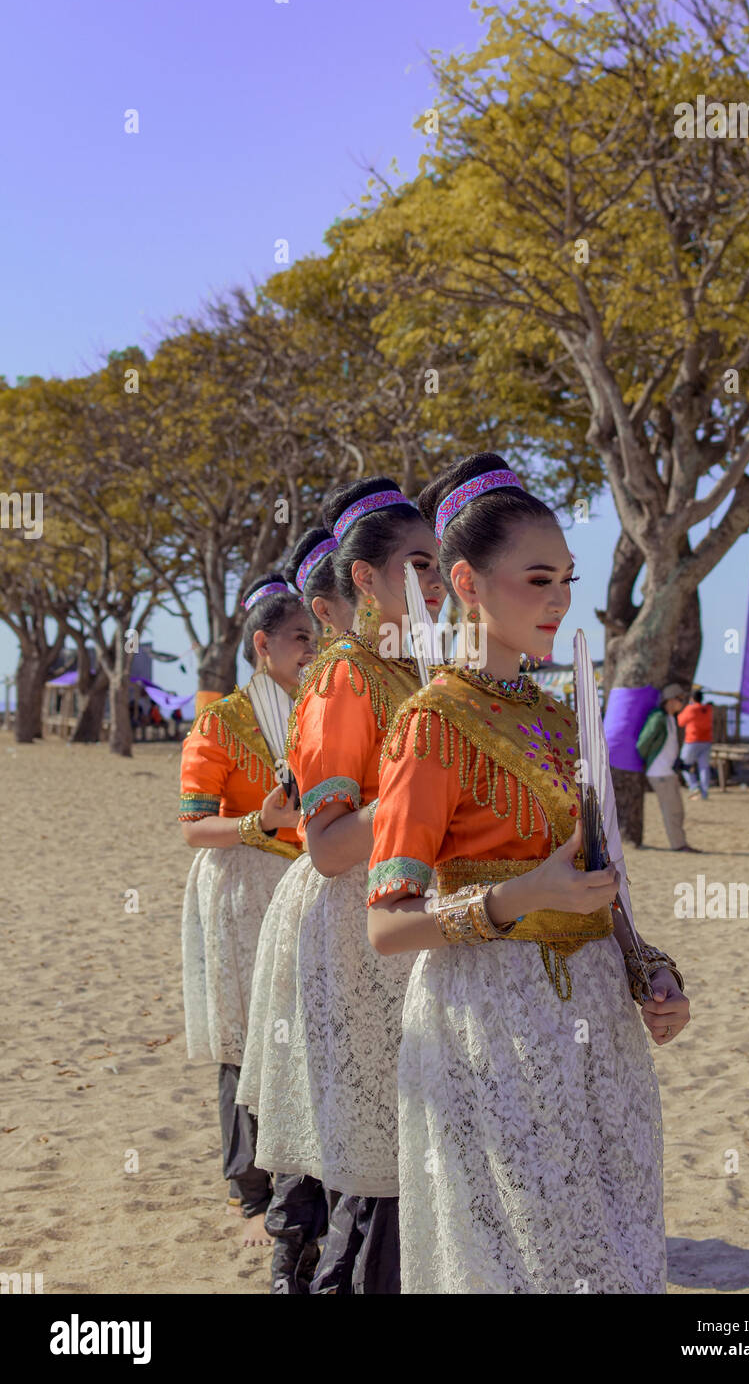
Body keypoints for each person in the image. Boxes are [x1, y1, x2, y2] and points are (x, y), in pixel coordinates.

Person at [367, 451, 689, 1294]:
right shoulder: (430, 725)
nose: (559, 600)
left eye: (568, 580)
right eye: (538, 579)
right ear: (467, 584)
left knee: (612, 1244)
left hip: (597, 1029)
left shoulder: (560, 716)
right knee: (524, 1258)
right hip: (493, 1025)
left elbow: (600, 875)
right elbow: (388, 924)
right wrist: (519, 897)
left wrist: (647, 967)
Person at [248, 480, 444, 1294]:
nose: (438, 583)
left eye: (444, 564)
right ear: (364, 579)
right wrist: (427, 790)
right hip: (355, 927)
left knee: (412, 1148)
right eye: (419, 564)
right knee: (376, 1164)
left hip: (415, 926)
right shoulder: (346, 677)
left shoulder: (427, 669)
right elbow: (327, 847)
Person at [178, 574, 315, 1247]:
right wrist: (256, 826)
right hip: (238, 887)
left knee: (292, 1027)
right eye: (298, 640)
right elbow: (193, 827)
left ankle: (292, 1171)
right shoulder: (220, 722)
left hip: (299, 882)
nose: (310, 652)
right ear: (263, 646)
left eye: (315, 640)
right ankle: (248, 1181)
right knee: (246, 1032)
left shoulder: (318, 713)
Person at [237, 526, 354, 1295]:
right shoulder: (336, 686)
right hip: (330, 896)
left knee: (347, 1099)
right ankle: (295, 1254)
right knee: (317, 1090)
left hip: (374, 901)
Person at [636, 685, 698, 852]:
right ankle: (678, 845)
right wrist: (646, 761)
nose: (682, 703)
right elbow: (644, 742)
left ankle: (680, 843)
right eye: (680, 699)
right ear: (670, 700)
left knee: (677, 809)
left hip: (668, 772)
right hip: (660, 772)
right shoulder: (658, 718)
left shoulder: (670, 719)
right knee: (672, 811)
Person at [677, 688, 714, 800]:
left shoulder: (691, 709)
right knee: (704, 767)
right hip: (706, 741)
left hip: (692, 741)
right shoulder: (708, 709)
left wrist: (689, 706)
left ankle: (694, 787)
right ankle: (704, 792)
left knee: (684, 766)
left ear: (692, 698)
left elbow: (680, 722)